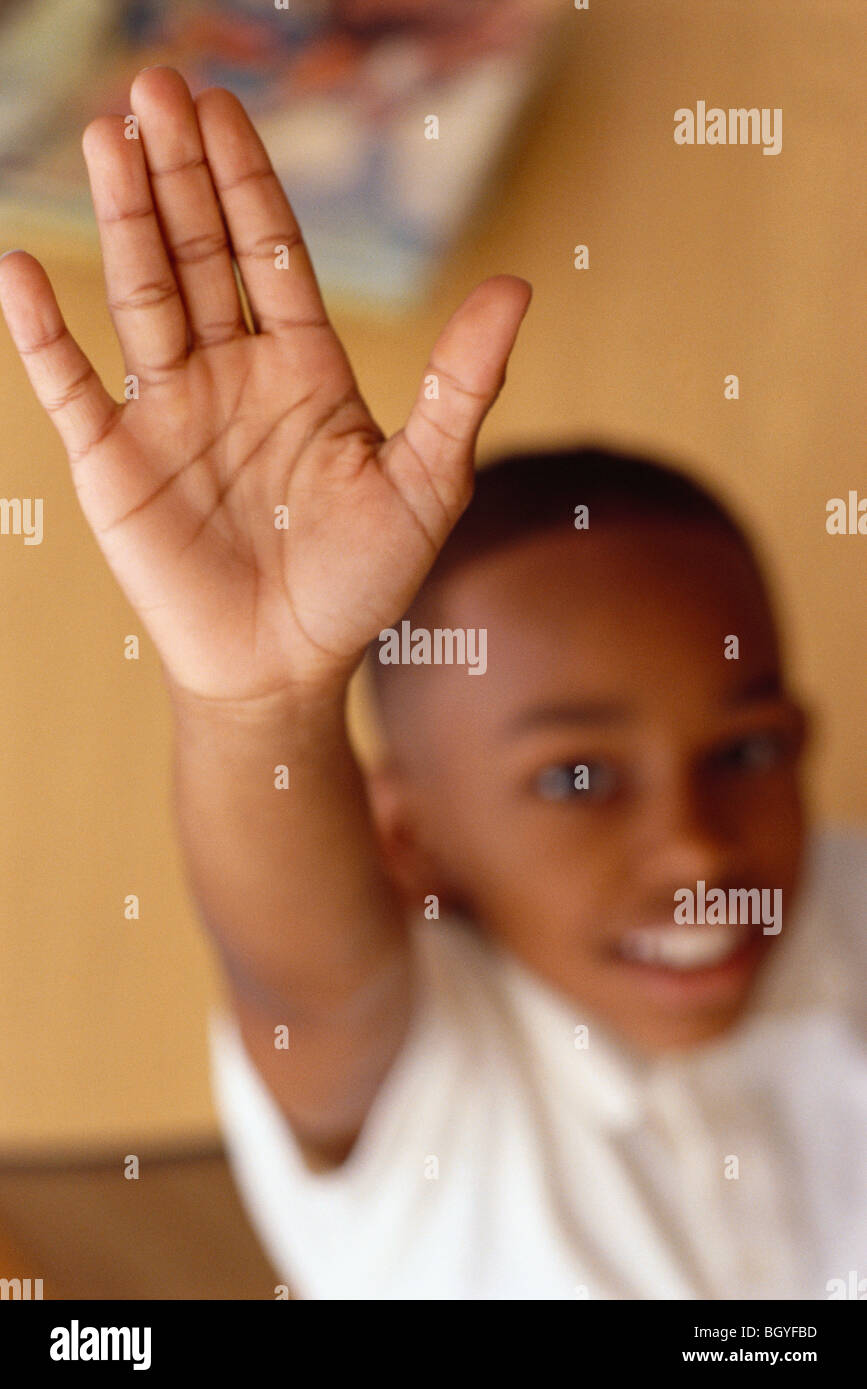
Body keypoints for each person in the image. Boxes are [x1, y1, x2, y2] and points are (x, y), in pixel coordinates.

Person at [1, 66, 863, 1301]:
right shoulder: (427, 1079)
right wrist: (262, 707)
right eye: (576, 777)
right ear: (404, 832)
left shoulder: (839, 913)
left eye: (748, 752)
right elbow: (298, 965)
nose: (695, 850)